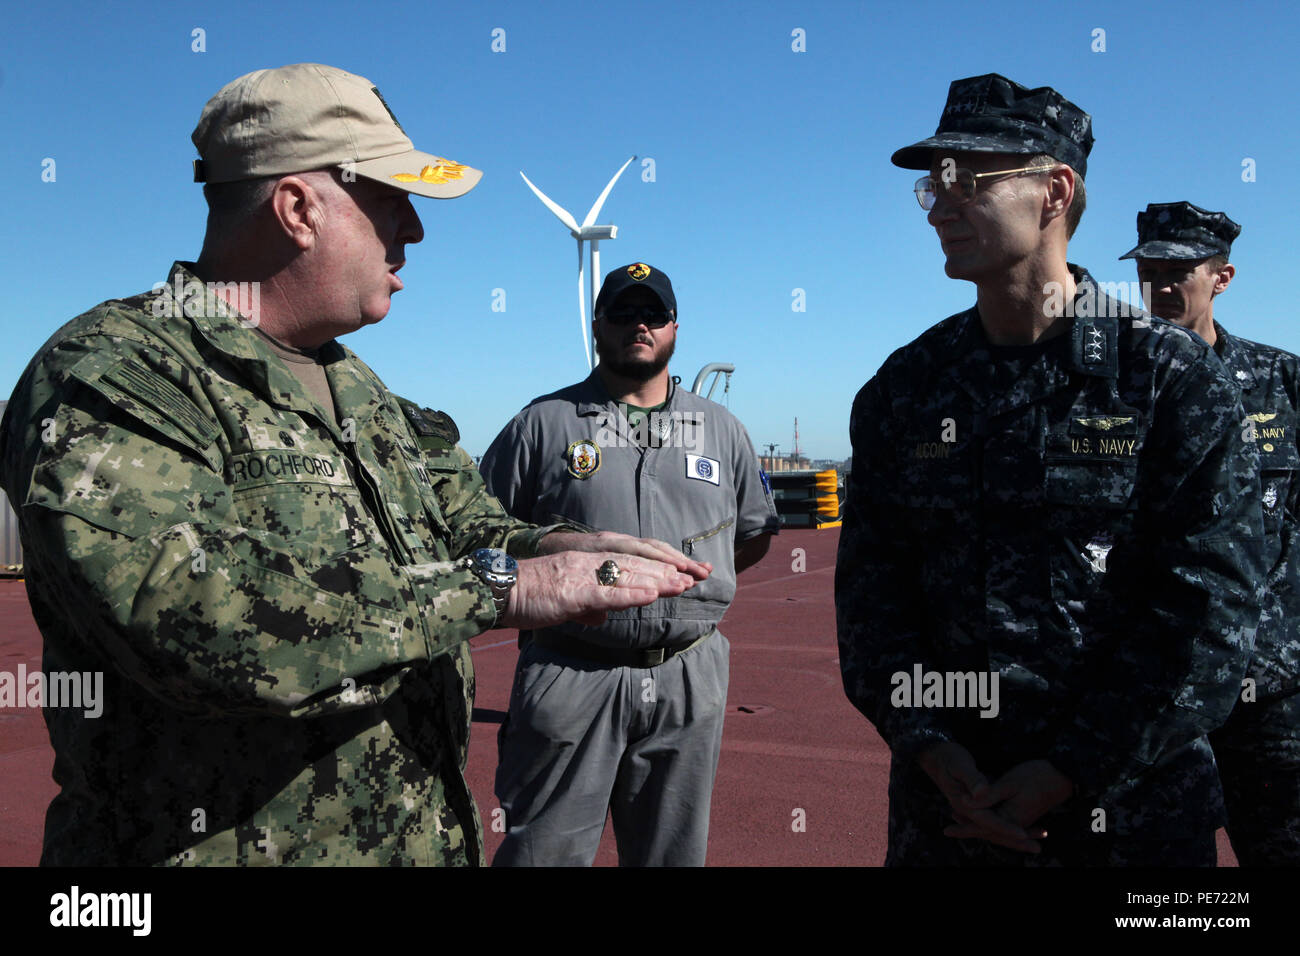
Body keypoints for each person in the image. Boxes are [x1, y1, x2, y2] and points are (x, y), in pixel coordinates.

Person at [0, 63, 708, 866]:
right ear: (298, 208)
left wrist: (558, 550)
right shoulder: (113, 373)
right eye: (389, 199)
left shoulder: (362, 391)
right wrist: (504, 586)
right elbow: (192, 618)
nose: (414, 229)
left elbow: (465, 523)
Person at [835, 73, 1266, 866]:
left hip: (1131, 816)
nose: (940, 203)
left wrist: (1068, 769)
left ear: (1056, 190)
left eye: (968, 180)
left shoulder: (1167, 378)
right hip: (953, 816)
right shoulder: (906, 387)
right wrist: (932, 746)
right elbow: (873, 597)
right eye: (932, 186)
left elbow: (1210, 608)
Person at [479, 262, 779, 866]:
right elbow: (482, 536)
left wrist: (686, 596)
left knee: (673, 855)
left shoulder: (721, 429)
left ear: (674, 327)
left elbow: (751, 534)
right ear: (596, 326)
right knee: (543, 854)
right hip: (570, 671)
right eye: (621, 313)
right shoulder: (541, 425)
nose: (638, 325)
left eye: (653, 314)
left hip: (689, 675)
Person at [1121, 201, 1300, 865]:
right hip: (1147, 690)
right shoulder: (1103, 387)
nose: (1162, 286)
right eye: (1150, 270)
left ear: (1221, 278)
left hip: (1269, 685)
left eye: (1180, 272)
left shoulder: (1282, 382)